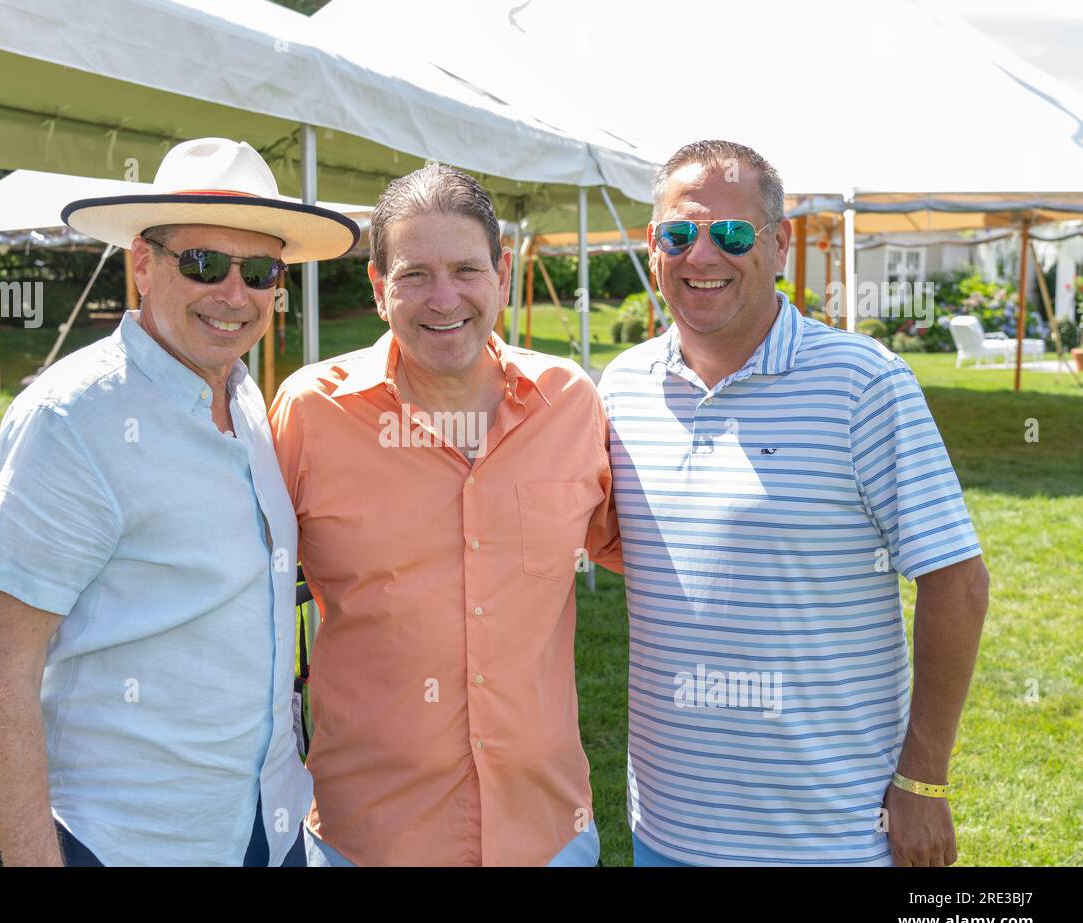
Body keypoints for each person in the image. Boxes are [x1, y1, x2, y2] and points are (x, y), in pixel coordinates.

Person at [0, 137, 358, 866]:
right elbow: (0, 671)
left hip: (268, 827)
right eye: (205, 263)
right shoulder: (72, 418)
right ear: (143, 265)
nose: (233, 294)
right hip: (128, 842)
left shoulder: (243, 394)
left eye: (261, 271)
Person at [599, 140, 988, 866]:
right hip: (666, 831)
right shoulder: (619, 389)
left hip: (830, 836)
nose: (702, 255)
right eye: (679, 234)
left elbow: (956, 582)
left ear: (778, 245)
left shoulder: (863, 383)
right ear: (654, 248)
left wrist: (924, 781)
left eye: (733, 233)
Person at [268, 163, 621, 867]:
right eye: (414, 275)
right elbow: (237, 593)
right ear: (378, 289)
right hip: (366, 839)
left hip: (548, 833)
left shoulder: (571, 403)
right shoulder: (311, 413)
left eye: (465, 270)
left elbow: (651, 554)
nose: (444, 299)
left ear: (502, 274)